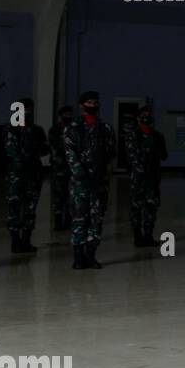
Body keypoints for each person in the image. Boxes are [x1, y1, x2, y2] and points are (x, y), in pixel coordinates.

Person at [64, 91, 116, 269]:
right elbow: (70, 154)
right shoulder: (73, 127)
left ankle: (91, 255)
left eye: (95, 102)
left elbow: (111, 153)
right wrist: (82, 175)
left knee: (96, 219)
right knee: (79, 219)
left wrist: (102, 173)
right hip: (80, 183)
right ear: (81, 105)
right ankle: (78, 257)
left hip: (100, 182)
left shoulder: (106, 128)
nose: (92, 105)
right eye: (89, 102)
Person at [4, 97, 49, 254]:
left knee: (30, 209)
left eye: (29, 109)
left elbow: (45, 149)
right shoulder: (11, 129)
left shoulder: (37, 130)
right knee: (15, 208)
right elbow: (9, 152)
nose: (26, 112)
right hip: (17, 175)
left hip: (33, 174)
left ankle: (26, 241)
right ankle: (16, 242)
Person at [127, 105, 168, 247]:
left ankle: (148, 235)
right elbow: (132, 157)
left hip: (153, 177)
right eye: (144, 114)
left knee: (151, 207)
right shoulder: (132, 134)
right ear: (138, 118)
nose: (147, 117)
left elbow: (164, 155)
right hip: (138, 179)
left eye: (149, 114)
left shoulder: (157, 136)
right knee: (136, 207)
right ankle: (137, 237)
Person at [48, 106, 74, 231]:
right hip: (59, 166)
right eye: (66, 114)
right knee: (59, 195)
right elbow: (54, 147)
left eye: (70, 114)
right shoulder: (55, 129)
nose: (68, 116)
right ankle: (58, 221)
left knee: (70, 195)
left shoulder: (74, 129)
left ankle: (68, 220)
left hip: (72, 166)